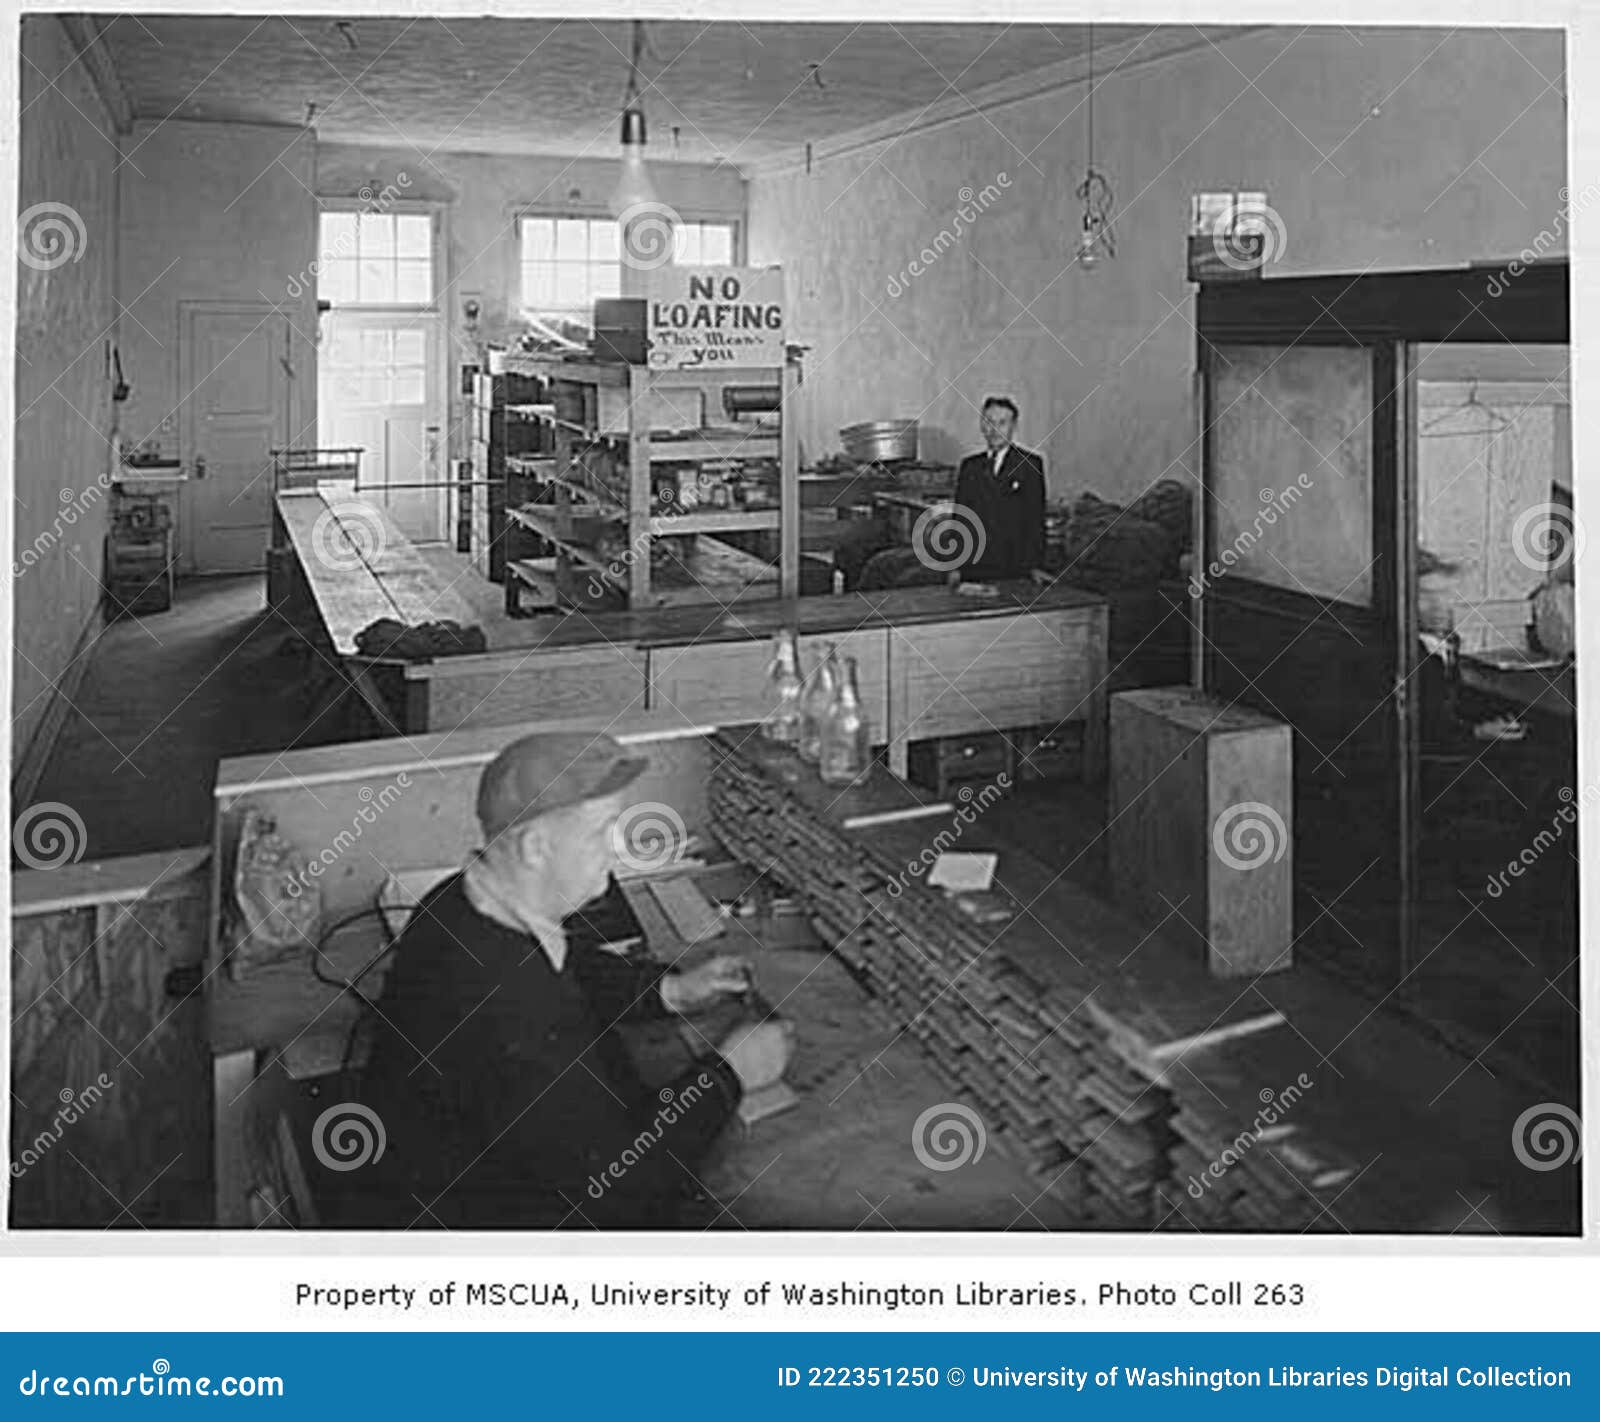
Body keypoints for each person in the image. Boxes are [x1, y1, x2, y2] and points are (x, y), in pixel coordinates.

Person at [338, 731, 791, 1229]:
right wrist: (728, 1076)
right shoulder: (510, 1014)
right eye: (599, 833)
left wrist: (668, 991)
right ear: (534, 845)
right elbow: (617, 1184)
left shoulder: (463, 900)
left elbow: (565, 956)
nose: (613, 852)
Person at [946, 395, 1047, 585]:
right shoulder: (970, 466)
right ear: (981, 425)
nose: (994, 430)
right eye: (989, 422)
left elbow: (1035, 519)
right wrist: (955, 565)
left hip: (1013, 567)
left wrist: (1035, 566)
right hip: (974, 565)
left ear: (1013, 426)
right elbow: (960, 518)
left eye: (1002, 423)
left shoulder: (1030, 465)